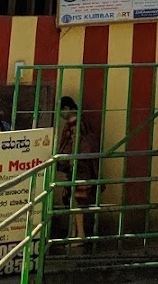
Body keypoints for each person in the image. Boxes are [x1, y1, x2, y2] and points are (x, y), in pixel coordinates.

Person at [57, 96, 100, 239]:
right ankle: (75, 233)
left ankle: (79, 234)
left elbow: (75, 145)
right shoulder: (82, 123)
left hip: (78, 167)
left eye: (61, 110)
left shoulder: (76, 125)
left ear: (67, 108)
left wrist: (71, 161)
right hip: (81, 166)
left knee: (76, 202)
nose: (60, 114)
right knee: (75, 201)